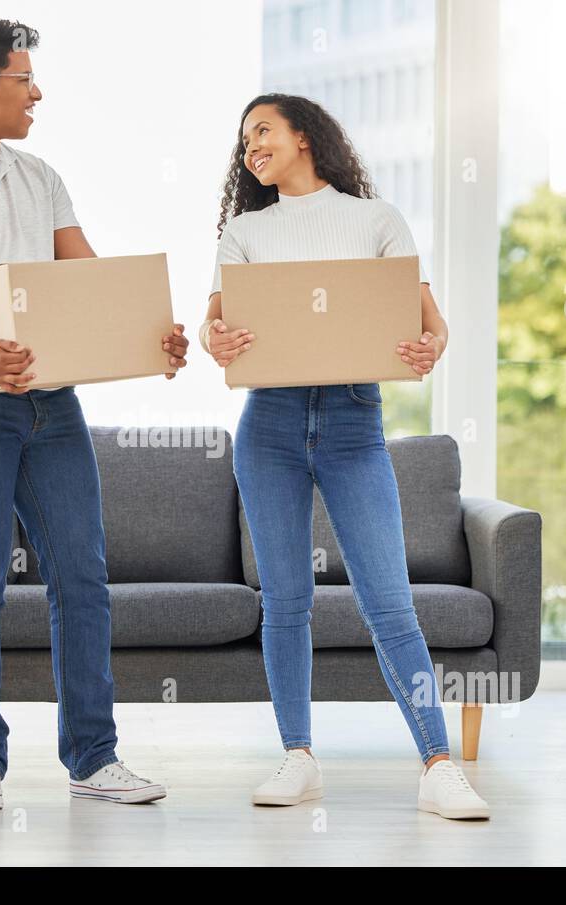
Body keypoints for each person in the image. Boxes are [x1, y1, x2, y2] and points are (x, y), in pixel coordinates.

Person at [0, 17, 188, 810]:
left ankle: (94, 756)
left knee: (83, 576)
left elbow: (86, 281)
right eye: (25, 80)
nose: (37, 93)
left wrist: (151, 331)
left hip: (51, 402)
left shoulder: (38, 175)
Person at [200, 93, 490, 820]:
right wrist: (217, 342)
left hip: (353, 420)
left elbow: (431, 325)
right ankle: (298, 756)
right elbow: (214, 326)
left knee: (389, 605)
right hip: (268, 424)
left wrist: (429, 347)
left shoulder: (374, 220)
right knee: (287, 602)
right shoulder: (245, 231)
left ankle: (438, 764)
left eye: (262, 130)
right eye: (243, 140)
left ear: (304, 136)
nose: (250, 147)